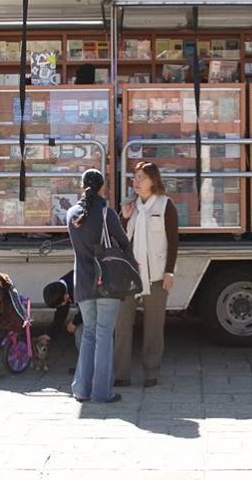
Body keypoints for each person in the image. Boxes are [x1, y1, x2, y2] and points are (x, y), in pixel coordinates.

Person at [67, 168, 129, 404]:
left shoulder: (71, 214)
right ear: (103, 187)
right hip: (106, 281)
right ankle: (102, 392)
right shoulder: (106, 213)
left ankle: (82, 390)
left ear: (81, 186)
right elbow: (123, 242)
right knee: (104, 334)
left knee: (89, 333)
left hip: (82, 282)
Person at [115, 161, 179, 388]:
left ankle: (151, 372)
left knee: (154, 326)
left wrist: (170, 272)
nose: (136, 182)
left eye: (141, 178)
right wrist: (124, 217)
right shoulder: (131, 205)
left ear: (153, 180)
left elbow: (173, 242)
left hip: (157, 274)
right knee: (122, 324)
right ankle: (121, 374)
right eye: (135, 178)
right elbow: (120, 239)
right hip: (130, 274)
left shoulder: (165, 205)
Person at [42, 271, 84, 349]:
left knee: (80, 333)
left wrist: (75, 322)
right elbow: (61, 313)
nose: (61, 306)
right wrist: (50, 334)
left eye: (60, 304)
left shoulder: (78, 287)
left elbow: (86, 310)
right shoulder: (61, 288)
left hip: (98, 301)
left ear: (65, 297)